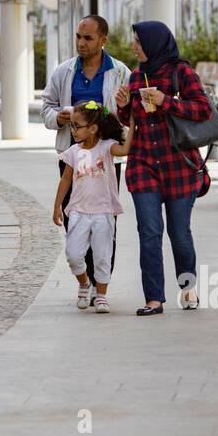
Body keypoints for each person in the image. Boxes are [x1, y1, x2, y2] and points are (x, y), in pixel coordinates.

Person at [114, 20, 213, 316]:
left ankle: (187, 286)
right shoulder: (134, 77)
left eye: (138, 41)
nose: (134, 46)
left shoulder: (181, 72)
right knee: (149, 231)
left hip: (178, 167)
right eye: (134, 41)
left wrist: (167, 101)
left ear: (155, 44)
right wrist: (122, 106)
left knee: (179, 232)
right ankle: (153, 299)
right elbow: (130, 120)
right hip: (143, 164)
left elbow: (203, 109)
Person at [42, 15, 131, 291]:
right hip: (73, 157)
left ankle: (98, 284)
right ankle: (85, 276)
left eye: (88, 38)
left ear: (103, 40)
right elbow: (46, 107)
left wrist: (122, 110)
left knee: (105, 224)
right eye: (78, 37)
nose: (81, 43)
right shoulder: (64, 71)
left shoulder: (120, 73)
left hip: (106, 159)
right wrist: (59, 118)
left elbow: (129, 116)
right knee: (75, 221)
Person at [52, 102, 130, 314]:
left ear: (93, 128)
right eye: (72, 126)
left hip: (104, 212)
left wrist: (132, 124)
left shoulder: (107, 148)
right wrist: (57, 205)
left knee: (102, 255)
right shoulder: (73, 152)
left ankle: (101, 295)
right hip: (78, 211)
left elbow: (126, 149)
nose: (73, 130)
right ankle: (85, 283)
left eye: (77, 126)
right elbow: (65, 180)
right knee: (73, 254)